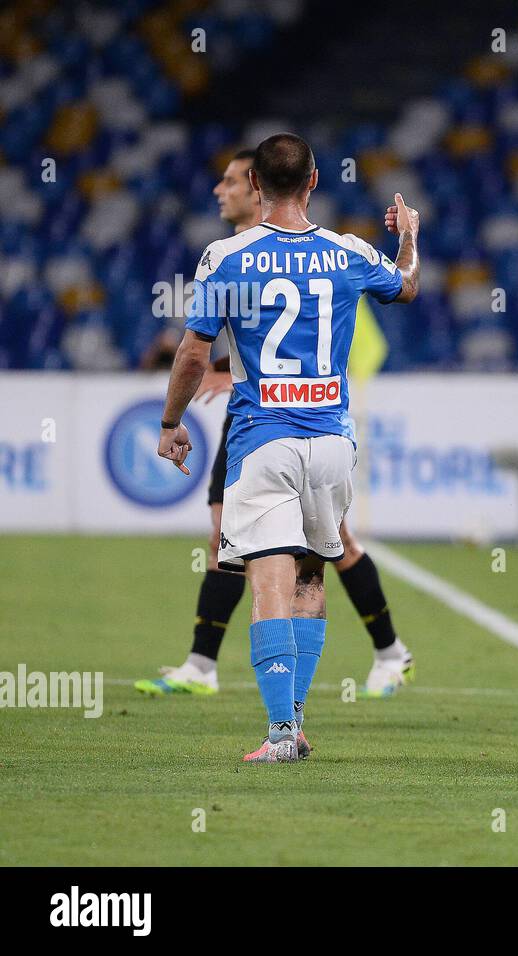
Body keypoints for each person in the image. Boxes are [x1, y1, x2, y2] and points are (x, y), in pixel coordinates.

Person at [157, 133, 419, 762]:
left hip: (263, 439)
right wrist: (408, 235)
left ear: (254, 186)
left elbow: (195, 351)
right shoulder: (348, 251)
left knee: (268, 578)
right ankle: (296, 724)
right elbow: (407, 285)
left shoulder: (225, 257)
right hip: (331, 441)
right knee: (309, 576)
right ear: (314, 182)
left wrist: (171, 422)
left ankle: (281, 734)